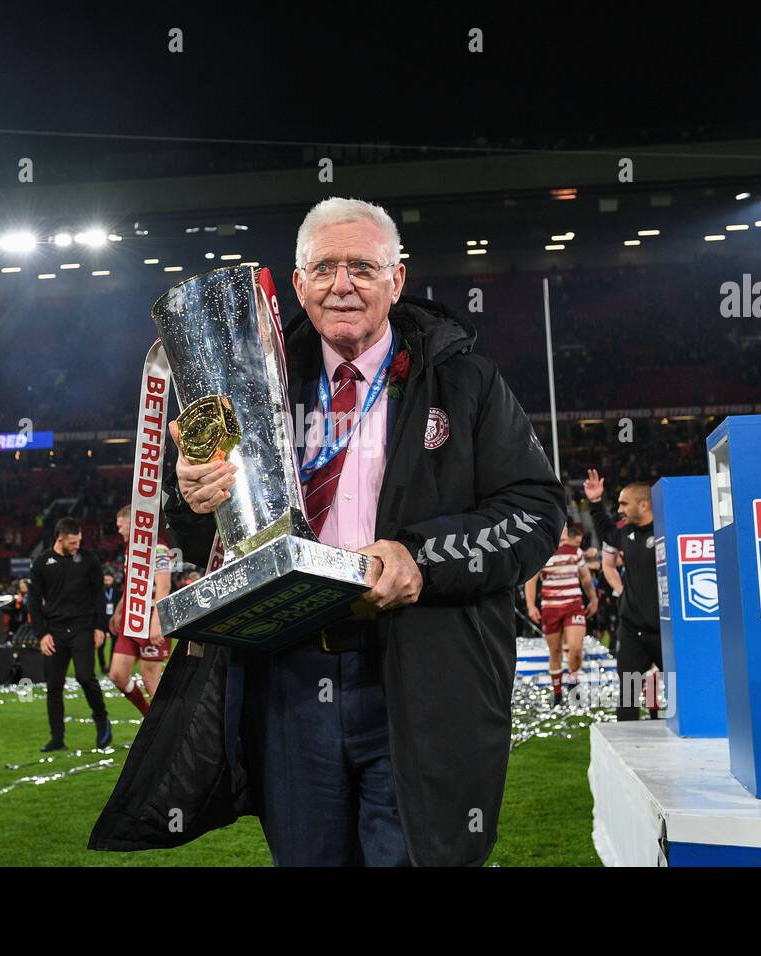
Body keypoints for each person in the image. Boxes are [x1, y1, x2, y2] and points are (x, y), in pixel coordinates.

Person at [92, 196, 566, 866]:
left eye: (362, 269)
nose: (342, 284)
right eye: (323, 269)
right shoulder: (252, 385)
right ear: (298, 283)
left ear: (397, 280)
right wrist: (195, 497)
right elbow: (216, 537)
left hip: (419, 676)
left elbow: (537, 512)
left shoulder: (464, 383)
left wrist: (417, 559)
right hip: (289, 679)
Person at [29, 517, 111, 751]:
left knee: (86, 677)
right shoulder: (42, 562)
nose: (77, 546)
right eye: (73, 542)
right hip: (54, 631)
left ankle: (102, 719)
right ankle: (57, 738)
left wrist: (99, 627)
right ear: (60, 539)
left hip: (83, 627)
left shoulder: (89, 560)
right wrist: (41, 634)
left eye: (79, 541)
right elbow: (33, 602)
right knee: (54, 685)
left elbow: (99, 596)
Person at [584, 469, 660, 721]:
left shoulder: (668, 531)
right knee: (627, 695)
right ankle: (630, 751)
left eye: (624, 504)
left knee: (683, 689)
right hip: (632, 627)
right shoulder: (625, 533)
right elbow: (607, 531)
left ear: (644, 504)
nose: (620, 509)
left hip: (666, 630)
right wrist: (595, 503)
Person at [524, 521, 598, 706]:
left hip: (573, 604)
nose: (563, 530)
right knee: (555, 651)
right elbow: (531, 581)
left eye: (565, 527)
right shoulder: (542, 551)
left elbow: (586, 578)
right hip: (550, 607)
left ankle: (572, 683)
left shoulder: (575, 552)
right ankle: (557, 695)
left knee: (575, 648)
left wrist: (594, 599)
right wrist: (531, 606)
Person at [107, 505, 171, 713]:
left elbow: (164, 586)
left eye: (120, 525)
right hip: (131, 619)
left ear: (131, 522)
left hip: (150, 619)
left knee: (151, 681)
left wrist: (156, 621)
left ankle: (170, 733)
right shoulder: (129, 549)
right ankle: (148, 717)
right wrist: (119, 610)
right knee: (117, 675)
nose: (119, 530)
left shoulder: (158, 547)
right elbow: (131, 585)